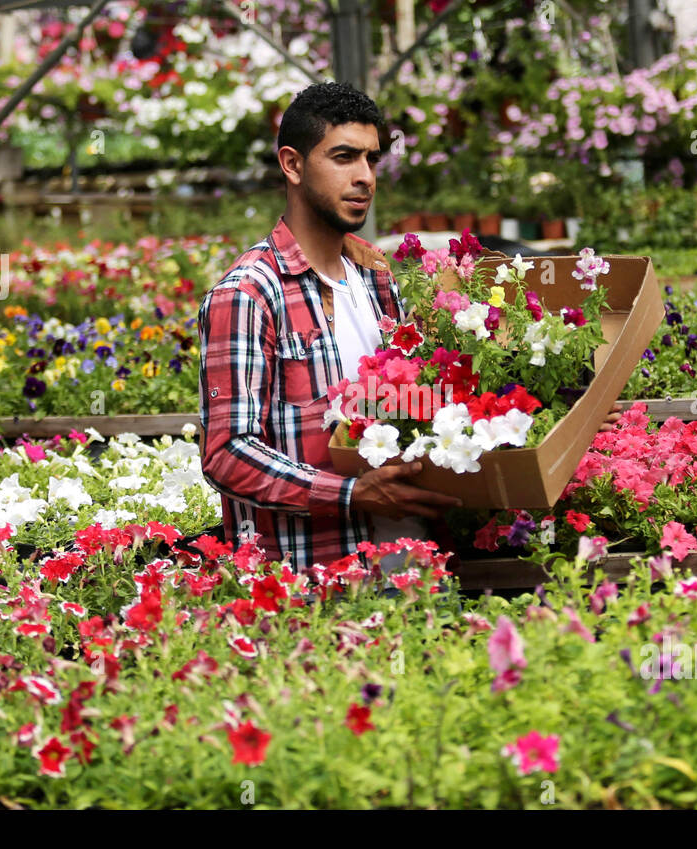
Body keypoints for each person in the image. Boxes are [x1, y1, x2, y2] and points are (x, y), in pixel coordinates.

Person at [198, 81, 623, 572]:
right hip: (319, 582)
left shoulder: (377, 279)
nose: (364, 178)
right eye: (343, 157)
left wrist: (562, 418)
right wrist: (352, 494)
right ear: (292, 164)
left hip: (421, 566)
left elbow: (421, 408)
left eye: (372, 160)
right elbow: (227, 454)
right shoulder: (249, 293)